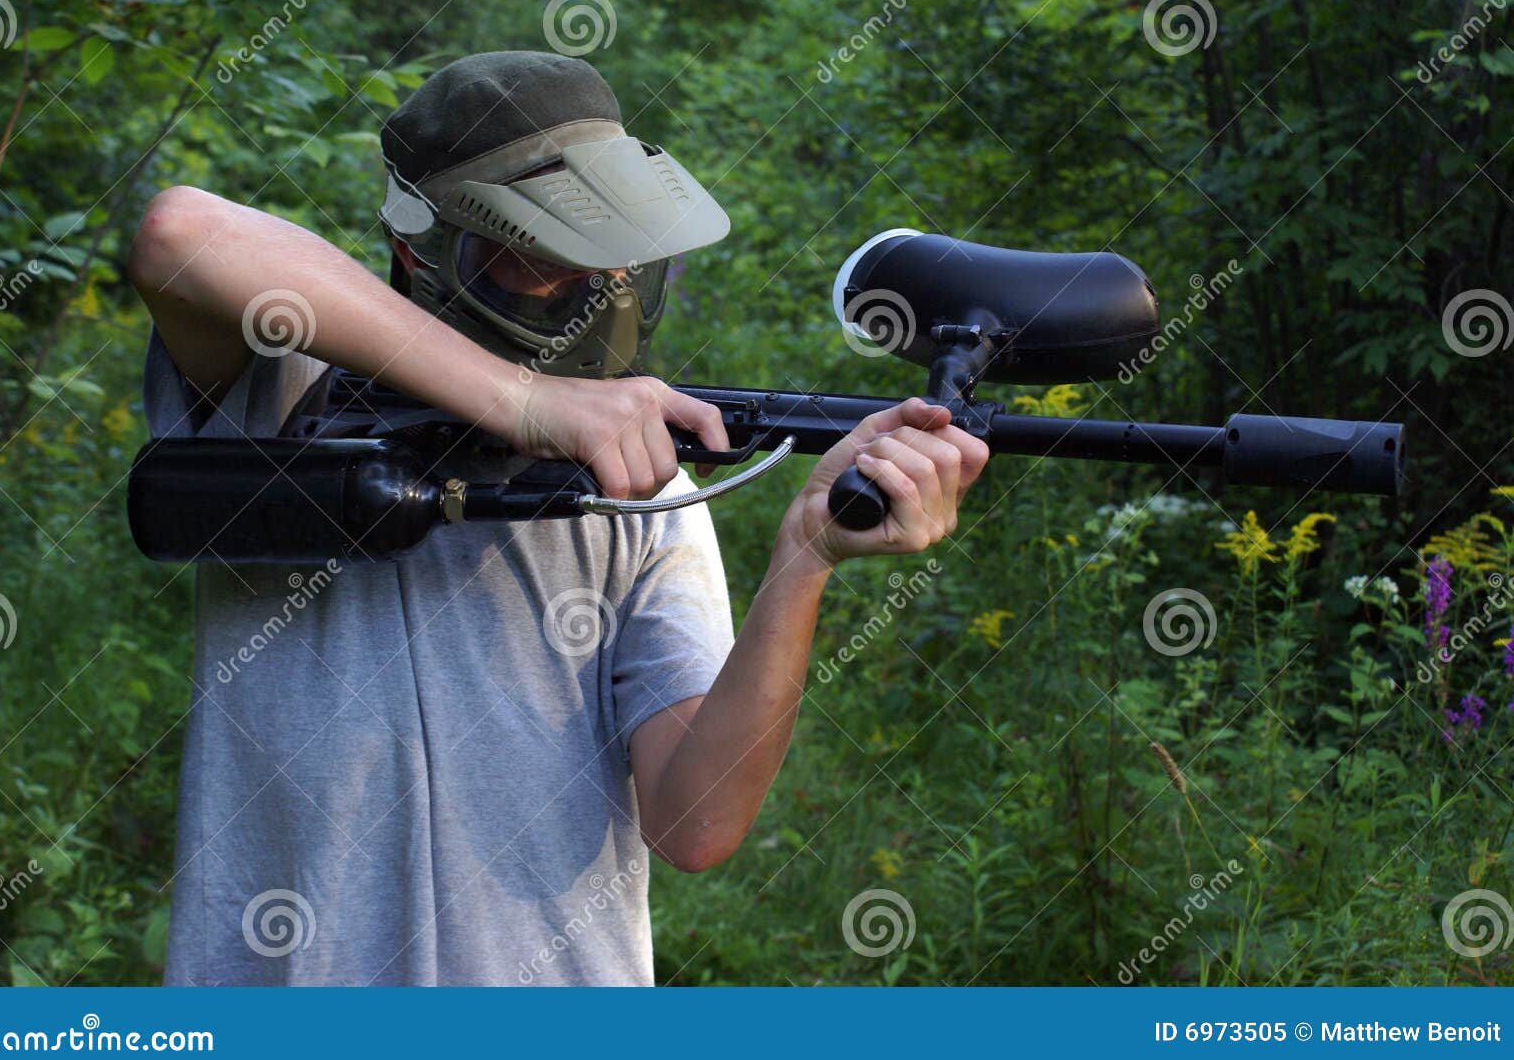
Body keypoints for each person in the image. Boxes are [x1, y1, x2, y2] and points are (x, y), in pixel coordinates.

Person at [129, 50, 988, 985]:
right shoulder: (284, 392)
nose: (592, 296)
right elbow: (180, 231)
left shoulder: (645, 484)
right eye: (539, 259)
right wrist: (519, 400)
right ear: (423, 249)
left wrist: (806, 555)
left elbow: (694, 821)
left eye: (609, 258)